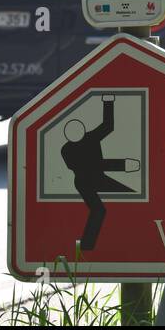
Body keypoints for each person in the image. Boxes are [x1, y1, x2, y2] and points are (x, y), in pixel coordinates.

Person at [61, 93, 140, 251]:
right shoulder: (67, 150)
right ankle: (87, 247)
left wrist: (108, 102)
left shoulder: (89, 138)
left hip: (99, 178)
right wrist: (124, 165)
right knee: (98, 210)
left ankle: (130, 238)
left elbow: (108, 126)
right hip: (84, 183)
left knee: (129, 194)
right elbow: (93, 165)